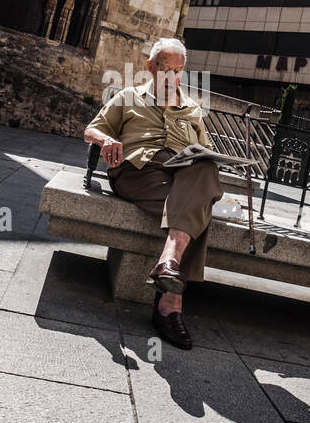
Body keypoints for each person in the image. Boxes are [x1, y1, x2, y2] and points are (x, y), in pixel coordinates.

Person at [83, 38, 223, 350]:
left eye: (177, 70)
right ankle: (169, 303)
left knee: (202, 171)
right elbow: (91, 129)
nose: (170, 76)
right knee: (196, 210)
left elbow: (207, 156)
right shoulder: (128, 96)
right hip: (138, 173)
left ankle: (168, 270)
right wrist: (106, 140)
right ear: (150, 67)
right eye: (164, 68)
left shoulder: (192, 110)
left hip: (180, 178)